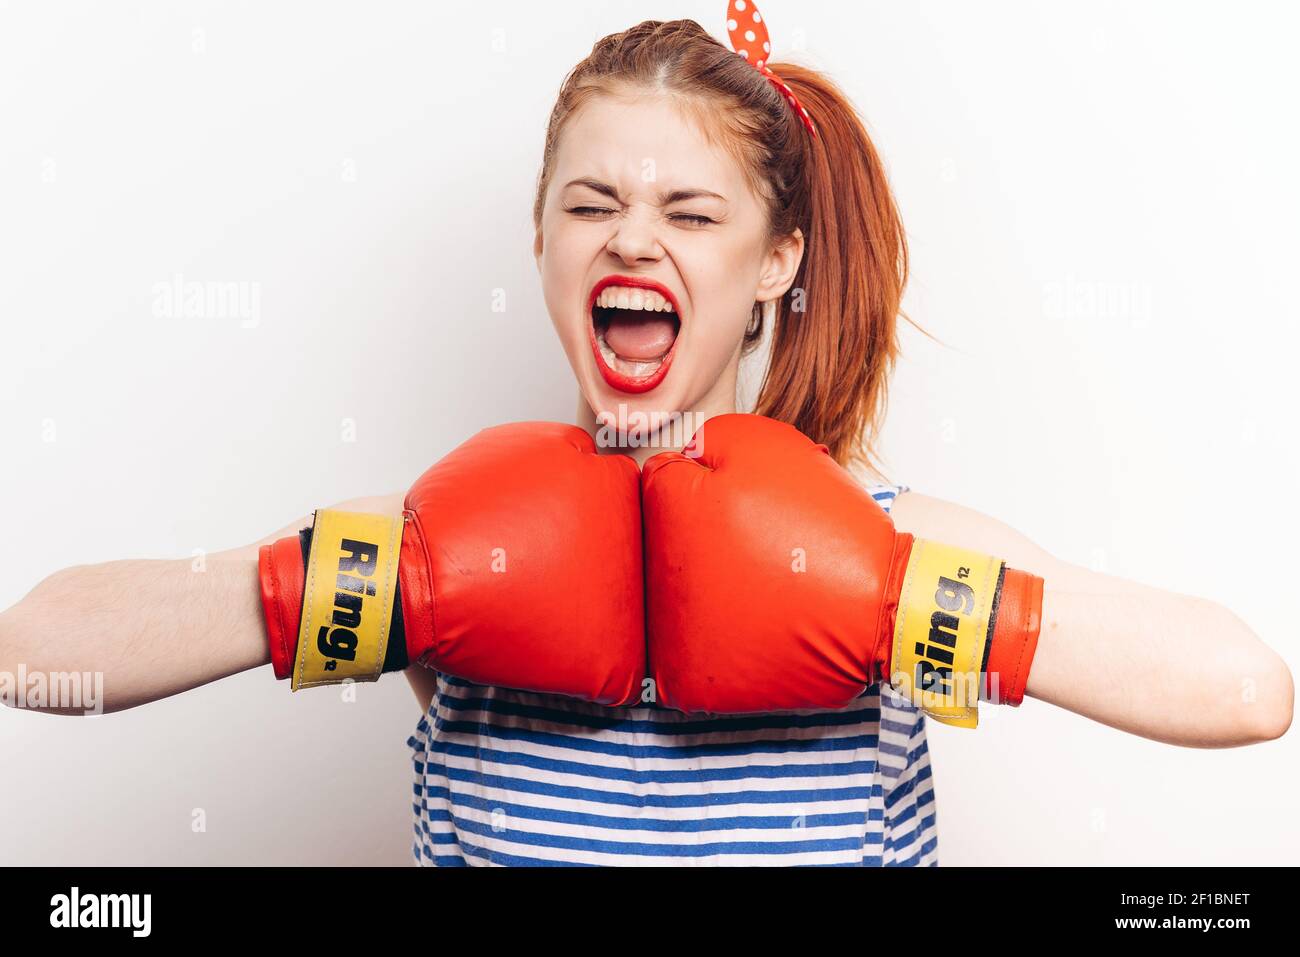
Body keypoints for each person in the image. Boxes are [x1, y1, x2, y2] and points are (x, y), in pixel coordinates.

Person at [0, 8, 1291, 867]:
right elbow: (31, 653)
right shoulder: (438, 548)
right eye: (591, 202)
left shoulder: (891, 543)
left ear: (778, 259)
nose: (633, 240)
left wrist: (898, 598)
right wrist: (342, 590)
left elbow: (1248, 692)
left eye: (691, 211)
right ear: (545, 244)